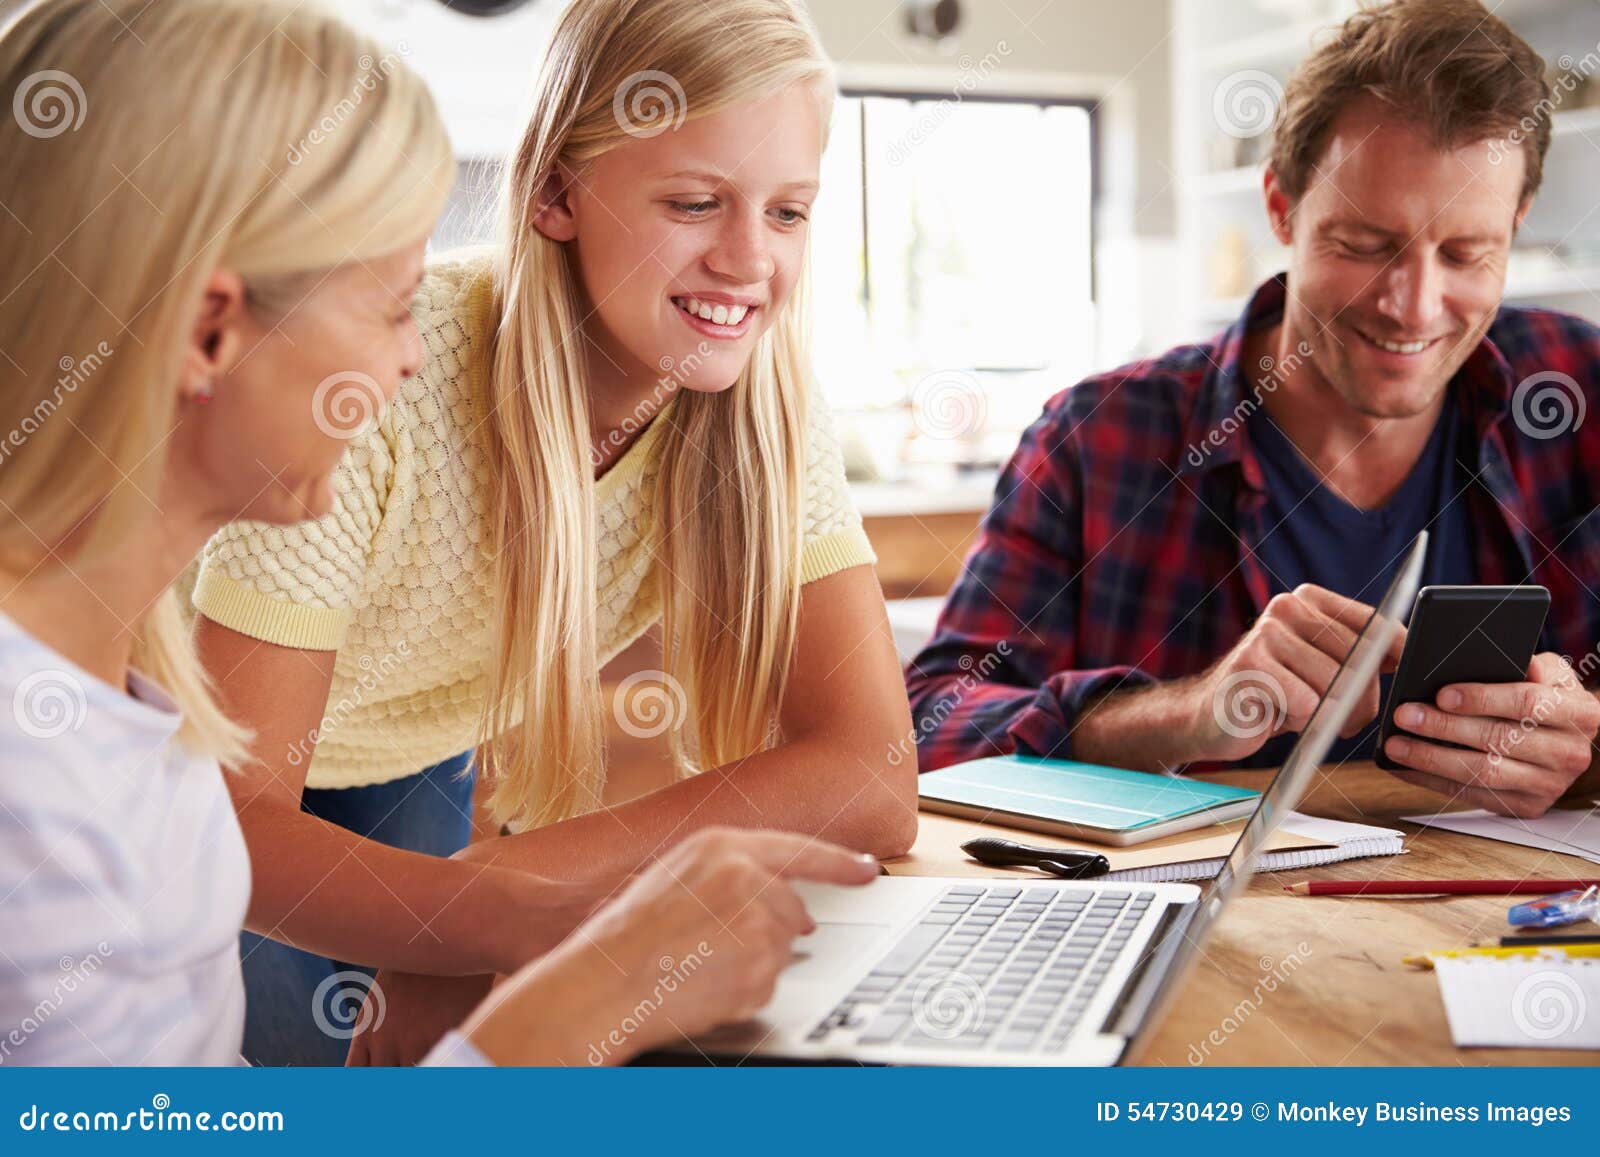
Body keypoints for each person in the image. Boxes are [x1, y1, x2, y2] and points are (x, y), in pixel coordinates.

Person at [0, 0, 877, 1068]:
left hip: (386, 755)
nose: (414, 355)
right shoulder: (52, 795)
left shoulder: (130, 744)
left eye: (790, 212)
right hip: (262, 764)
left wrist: (492, 912)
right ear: (215, 329)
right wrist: (519, 984)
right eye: (393, 303)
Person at [907, 0, 1600, 819]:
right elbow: (928, 727)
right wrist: (1181, 714)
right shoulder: (1098, 438)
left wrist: (1582, 751)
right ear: (1281, 207)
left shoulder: (1579, 394)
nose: (1413, 307)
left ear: (1515, 227)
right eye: (1364, 245)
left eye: (1466, 253)